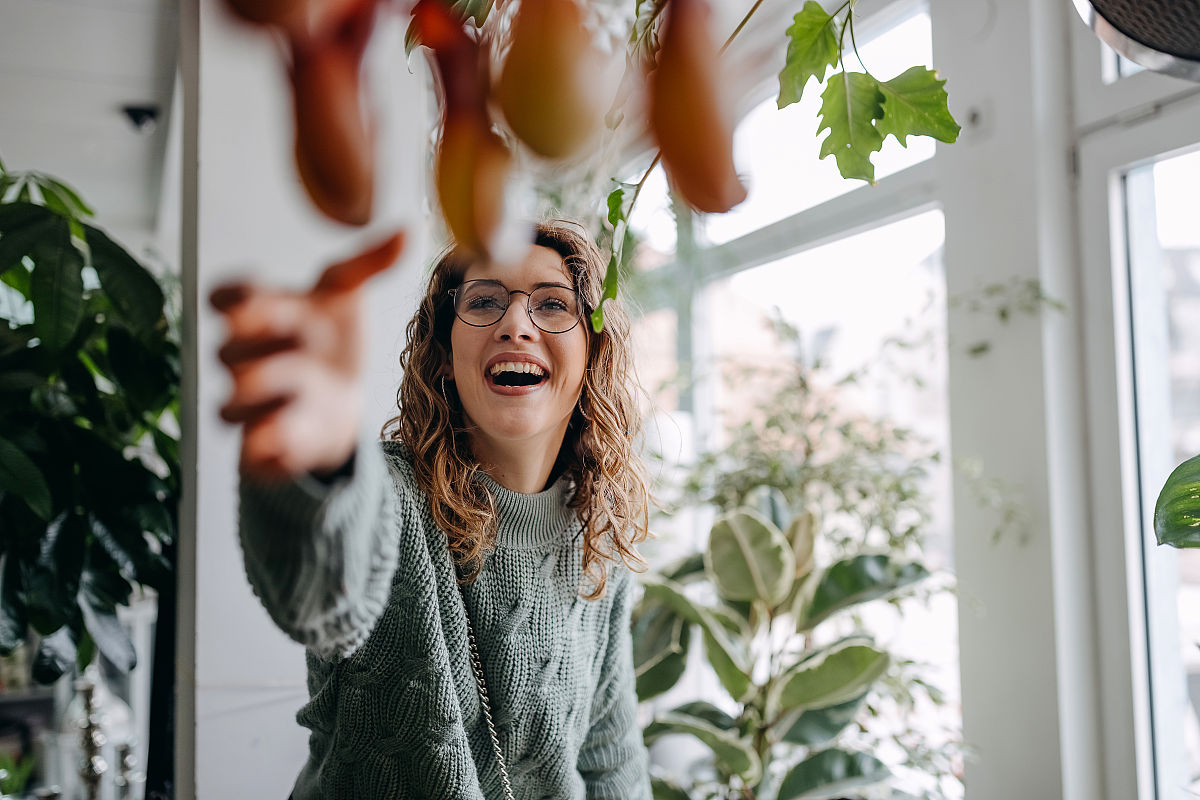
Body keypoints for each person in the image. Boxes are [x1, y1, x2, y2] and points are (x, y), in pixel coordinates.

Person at [210, 220, 654, 800]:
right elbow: (316, 598)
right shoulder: (391, 495)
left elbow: (609, 763)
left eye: (552, 305)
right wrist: (316, 458)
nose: (516, 324)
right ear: (445, 356)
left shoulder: (597, 542)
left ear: (593, 353)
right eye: (485, 302)